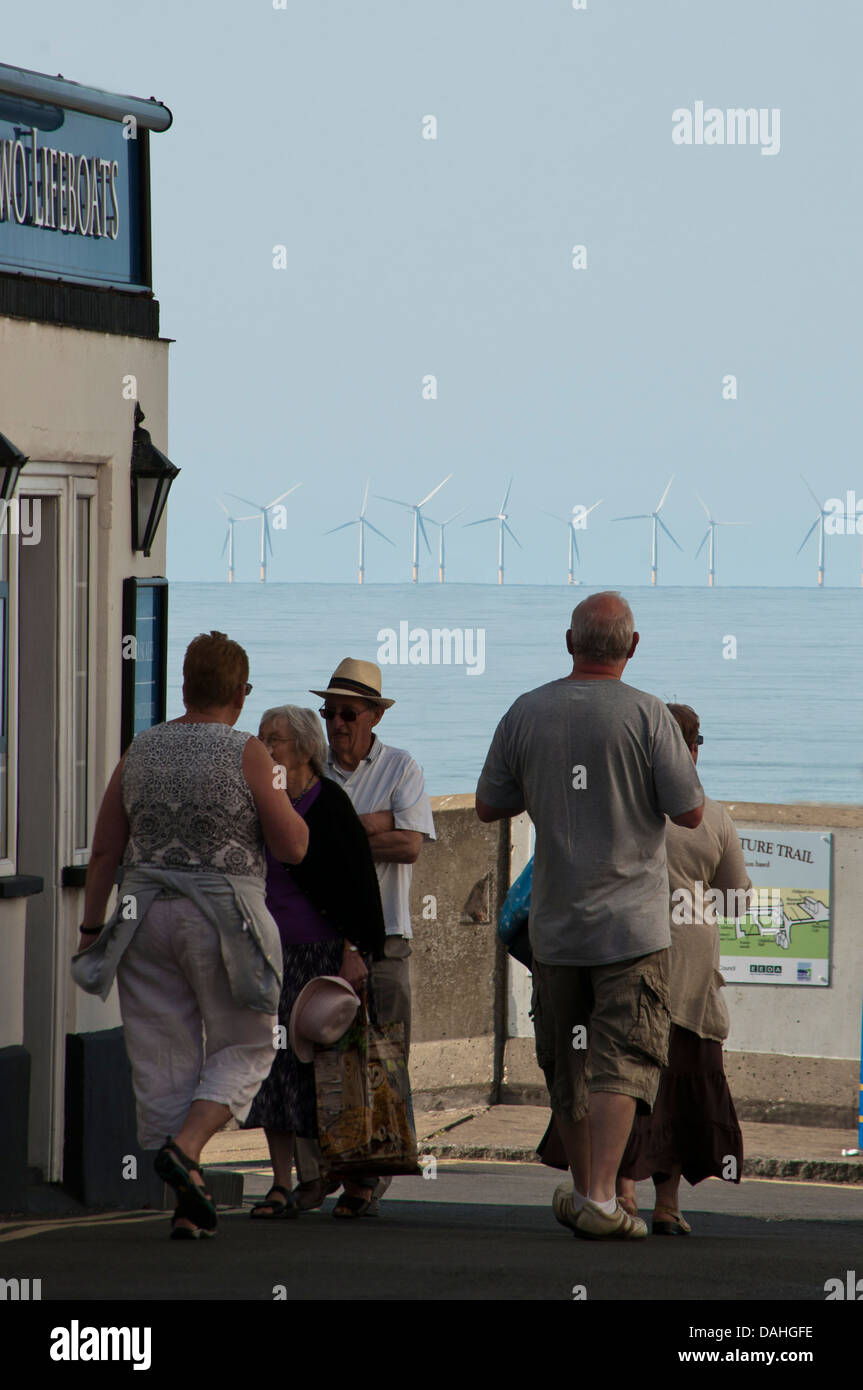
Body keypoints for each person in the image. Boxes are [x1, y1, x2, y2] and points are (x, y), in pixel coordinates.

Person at [475, 592, 704, 1241]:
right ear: (631, 647)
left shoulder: (526, 711)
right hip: (630, 928)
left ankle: (584, 1192)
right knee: (622, 1058)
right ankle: (602, 1198)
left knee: (567, 1059)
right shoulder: (650, 715)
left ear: (567, 641)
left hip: (555, 926)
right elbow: (687, 812)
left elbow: (490, 804)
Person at [71, 632, 308, 1239]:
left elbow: (104, 850)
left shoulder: (141, 749)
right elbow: (294, 844)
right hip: (222, 921)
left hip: (140, 917)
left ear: (183, 686)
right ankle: (188, 1147)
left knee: (162, 1053)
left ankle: (188, 1197)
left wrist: (91, 927)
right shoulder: (250, 753)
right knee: (248, 1042)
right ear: (239, 692)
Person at [291, 657, 435, 1215]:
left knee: (382, 1059)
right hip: (321, 933)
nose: (336, 724)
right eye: (329, 713)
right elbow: (293, 838)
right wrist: (371, 823)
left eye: (348, 713)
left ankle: (365, 1182)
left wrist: (338, 836)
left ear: (374, 715)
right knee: (319, 1060)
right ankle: (330, 1174)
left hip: (384, 936)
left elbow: (410, 845)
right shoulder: (311, 769)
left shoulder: (401, 767)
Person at [243, 705, 386, 1220]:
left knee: (327, 1070)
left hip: (322, 957)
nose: (266, 747)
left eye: (275, 739)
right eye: (261, 738)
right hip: (270, 954)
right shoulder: (261, 803)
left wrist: (353, 952)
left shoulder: (329, 805)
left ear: (305, 749)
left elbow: (358, 888)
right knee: (271, 1071)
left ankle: (341, 1174)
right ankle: (281, 1183)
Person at [616, 703, 749, 1233]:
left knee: (624, 1080)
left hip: (628, 959)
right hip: (691, 972)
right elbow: (736, 900)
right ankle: (667, 1205)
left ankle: (621, 1192)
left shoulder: (624, 808)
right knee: (678, 1090)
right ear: (692, 751)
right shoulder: (713, 817)